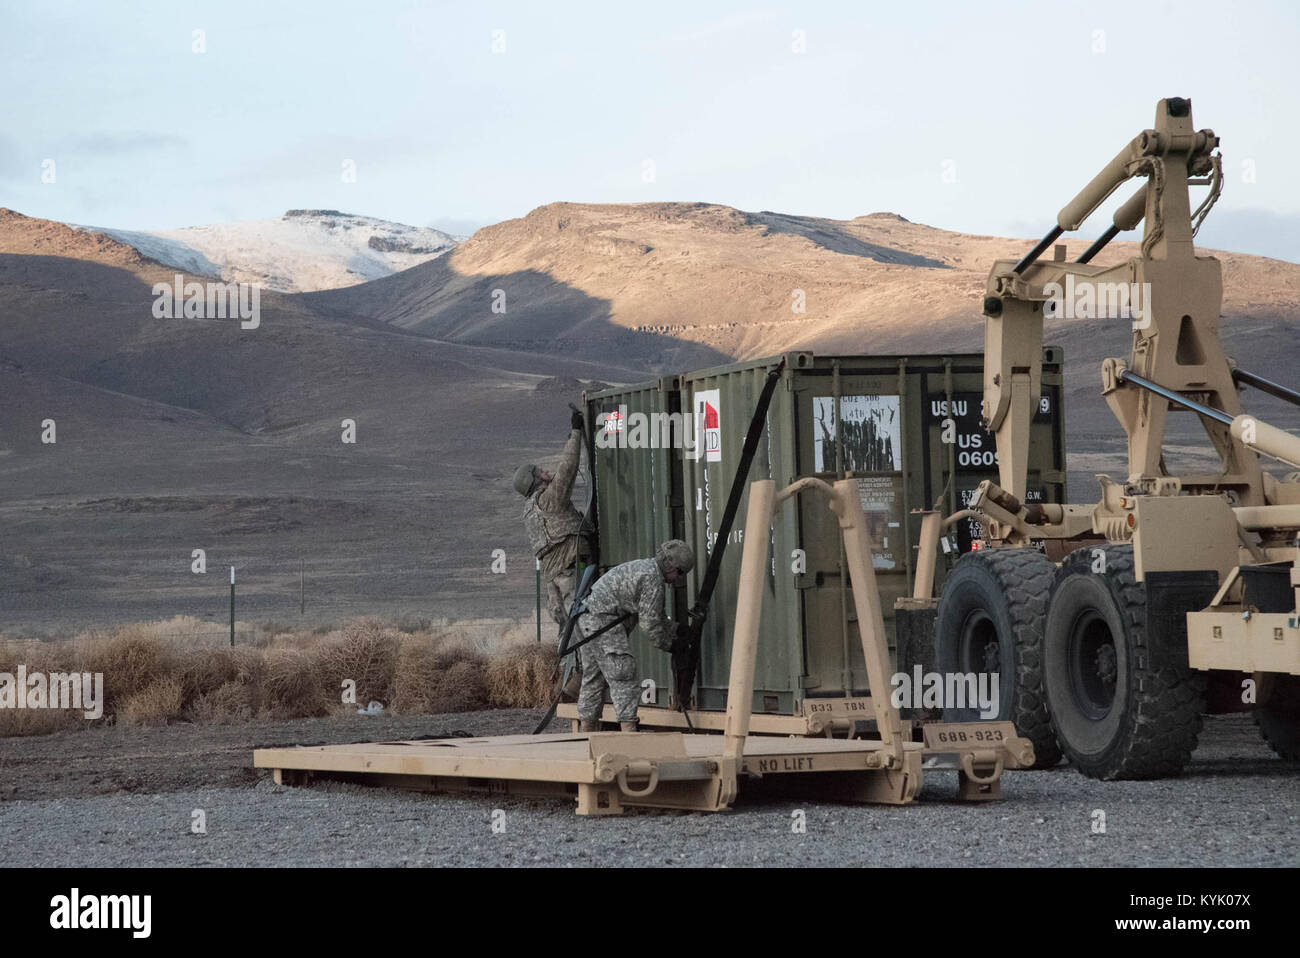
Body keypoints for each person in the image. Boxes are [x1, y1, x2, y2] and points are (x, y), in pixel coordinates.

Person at [575, 539, 695, 732]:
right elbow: (650, 627)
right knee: (624, 674)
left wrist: (677, 629)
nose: (677, 579)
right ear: (672, 566)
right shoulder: (653, 580)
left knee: (593, 677)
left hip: (587, 619)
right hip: (602, 622)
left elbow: (655, 615)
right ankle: (629, 733)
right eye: (680, 573)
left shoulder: (645, 568)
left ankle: (585, 735)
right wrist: (671, 645)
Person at [514, 409, 594, 696]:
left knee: (570, 633)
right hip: (570, 574)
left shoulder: (530, 510)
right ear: (537, 480)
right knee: (588, 631)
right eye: (540, 472)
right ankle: (580, 689)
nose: (546, 471)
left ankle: (571, 686)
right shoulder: (548, 501)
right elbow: (569, 469)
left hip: (555, 584)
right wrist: (575, 433)